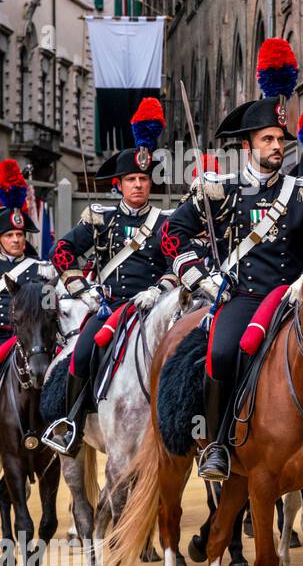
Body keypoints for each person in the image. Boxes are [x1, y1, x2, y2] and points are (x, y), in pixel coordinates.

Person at [159, 38, 303, 481]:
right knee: (219, 353)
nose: (278, 146)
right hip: (240, 295)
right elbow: (171, 235)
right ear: (247, 145)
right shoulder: (219, 189)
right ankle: (218, 443)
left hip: (292, 295)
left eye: (281, 139)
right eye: (268, 139)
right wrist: (200, 280)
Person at [42, 99, 179, 456]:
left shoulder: (166, 223)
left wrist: (160, 289)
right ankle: (70, 422)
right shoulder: (100, 218)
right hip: (109, 308)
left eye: (144, 179)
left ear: (151, 183)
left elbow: (177, 262)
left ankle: (191, 428)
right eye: (131, 179)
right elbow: (62, 252)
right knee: (83, 353)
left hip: (152, 308)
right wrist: (82, 290)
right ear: (118, 184)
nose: (138, 185)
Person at [0, 162, 55, 345]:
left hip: (30, 341)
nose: (16, 240)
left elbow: (50, 310)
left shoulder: (43, 270)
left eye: (20, 234)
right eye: (9, 235)